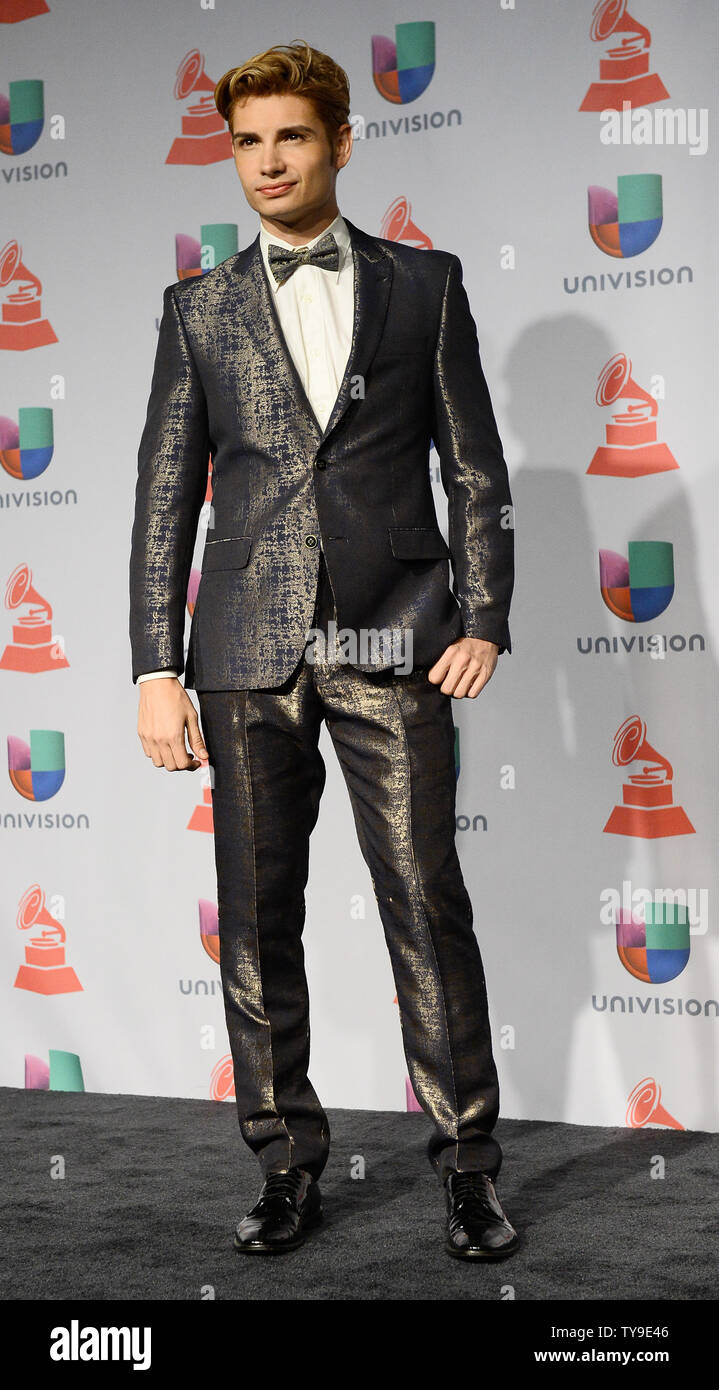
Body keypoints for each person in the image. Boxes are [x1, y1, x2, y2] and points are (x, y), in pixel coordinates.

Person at [129, 40, 518, 1262]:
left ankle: (465, 1170)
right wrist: (152, 665)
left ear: (341, 143)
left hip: (394, 642)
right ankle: (286, 1166)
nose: (267, 162)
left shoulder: (426, 284)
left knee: (423, 903)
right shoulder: (196, 308)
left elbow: (475, 473)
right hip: (241, 653)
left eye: (290, 137)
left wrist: (483, 615)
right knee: (254, 921)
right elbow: (163, 499)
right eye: (247, 141)